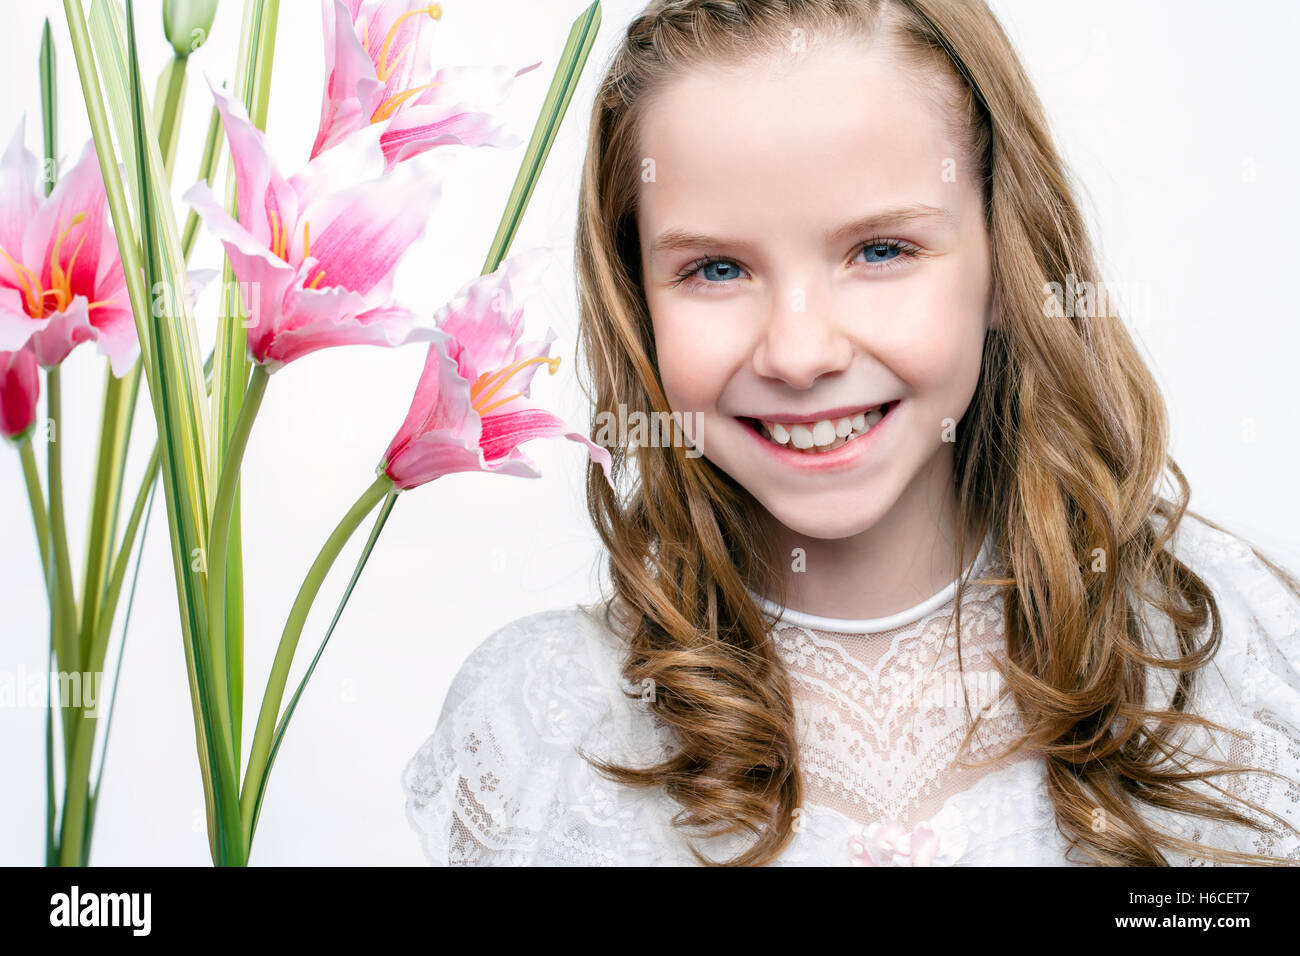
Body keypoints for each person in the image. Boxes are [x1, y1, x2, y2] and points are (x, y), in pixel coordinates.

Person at [402, 0, 1300, 866]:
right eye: (716, 268)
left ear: (1007, 260)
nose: (800, 352)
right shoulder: (545, 727)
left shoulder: (1217, 656)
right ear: (637, 301)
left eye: (880, 251)